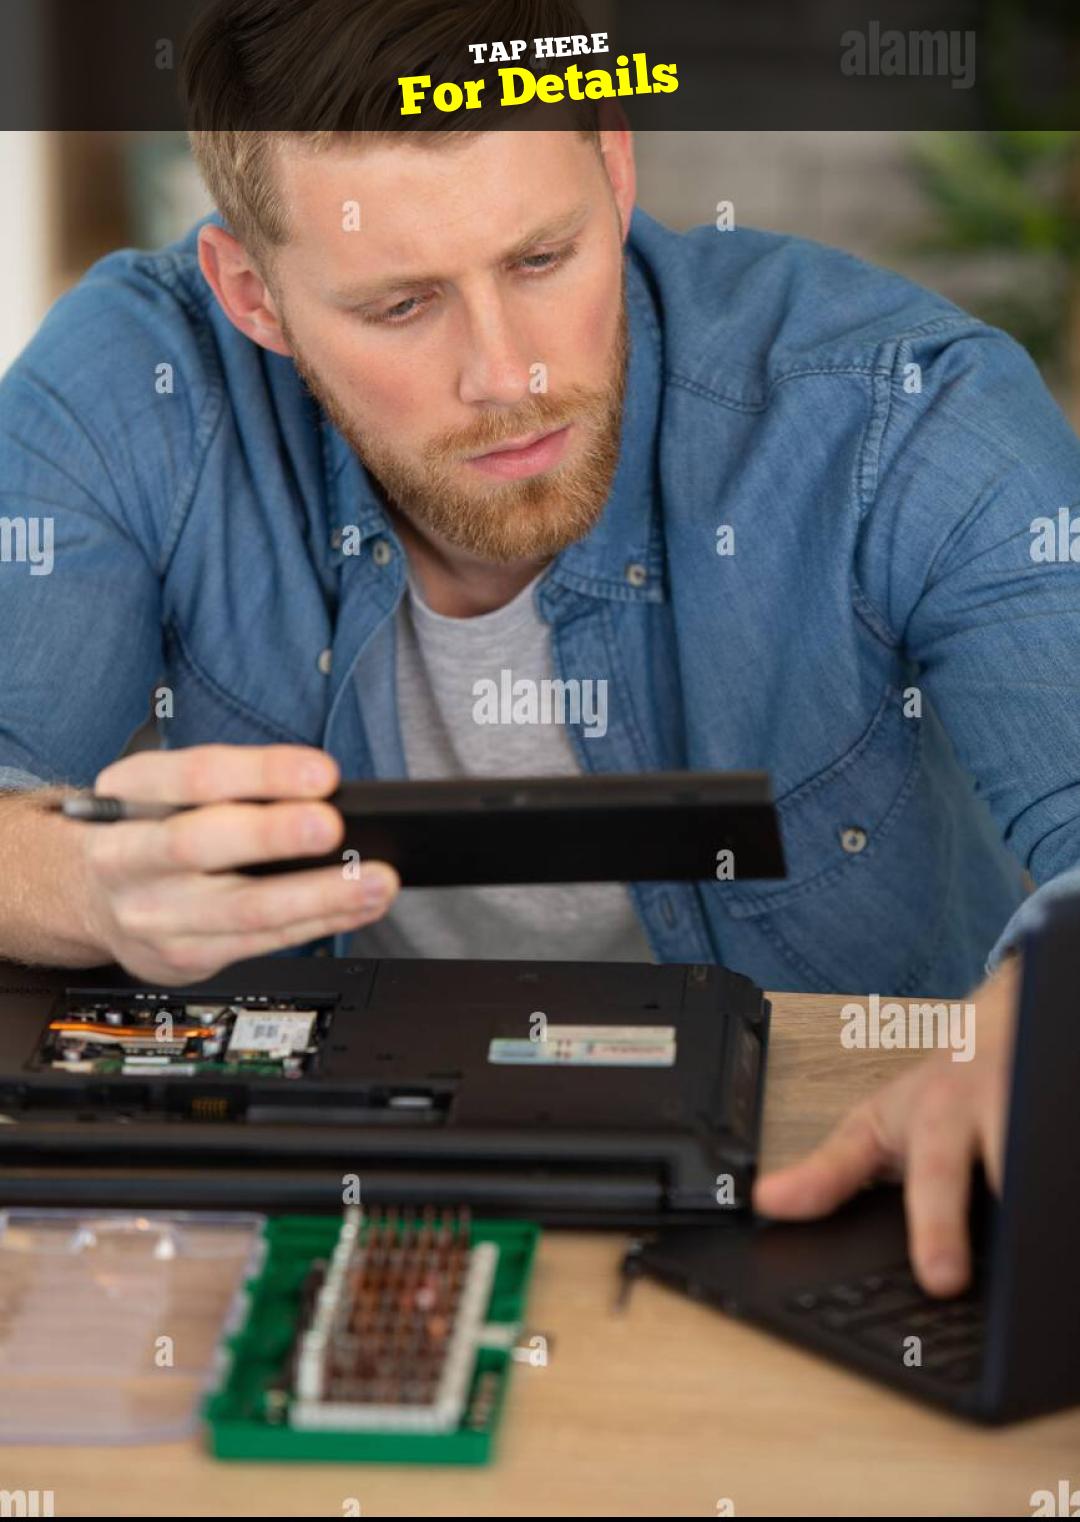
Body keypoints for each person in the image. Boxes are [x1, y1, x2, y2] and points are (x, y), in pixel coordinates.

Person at [1, 0, 1077, 1296]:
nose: (506, 375)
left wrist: (1053, 1009)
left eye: (541, 258)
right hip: (316, 1237)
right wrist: (82, 882)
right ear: (254, 293)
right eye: (401, 306)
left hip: (832, 1223)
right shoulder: (134, 381)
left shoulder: (902, 406)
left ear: (614, 167)